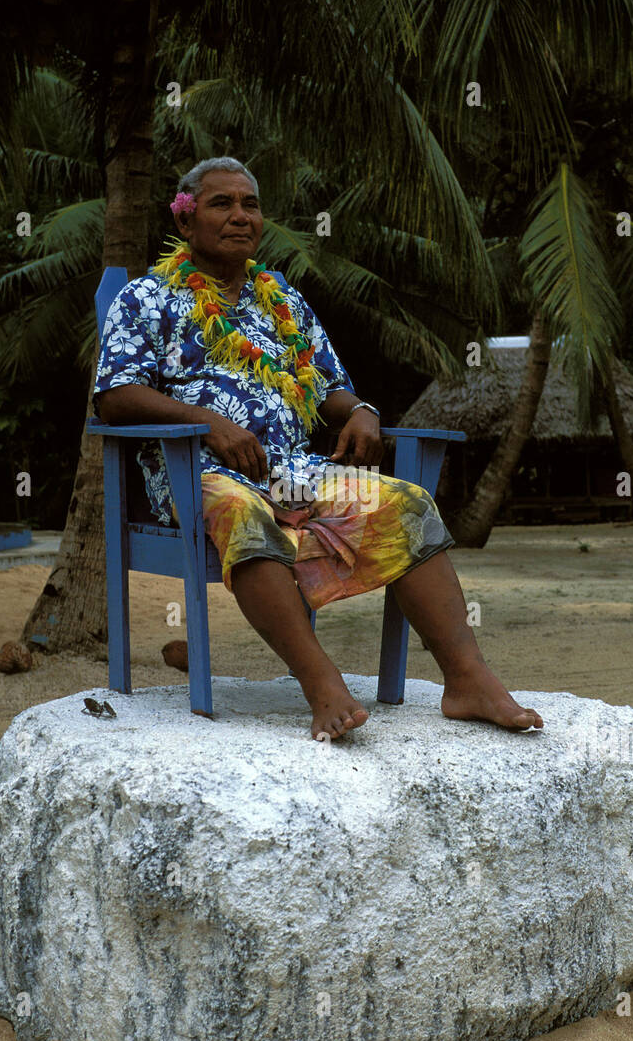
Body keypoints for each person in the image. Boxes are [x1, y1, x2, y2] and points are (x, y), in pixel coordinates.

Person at [94, 157, 544, 741]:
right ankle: (322, 685)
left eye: (250, 204)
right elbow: (115, 397)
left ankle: (468, 681)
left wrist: (360, 412)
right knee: (243, 513)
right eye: (221, 204)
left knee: (406, 503)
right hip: (196, 474)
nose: (239, 216)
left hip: (293, 472)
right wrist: (206, 423)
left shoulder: (280, 298)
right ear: (186, 221)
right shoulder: (146, 297)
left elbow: (327, 385)